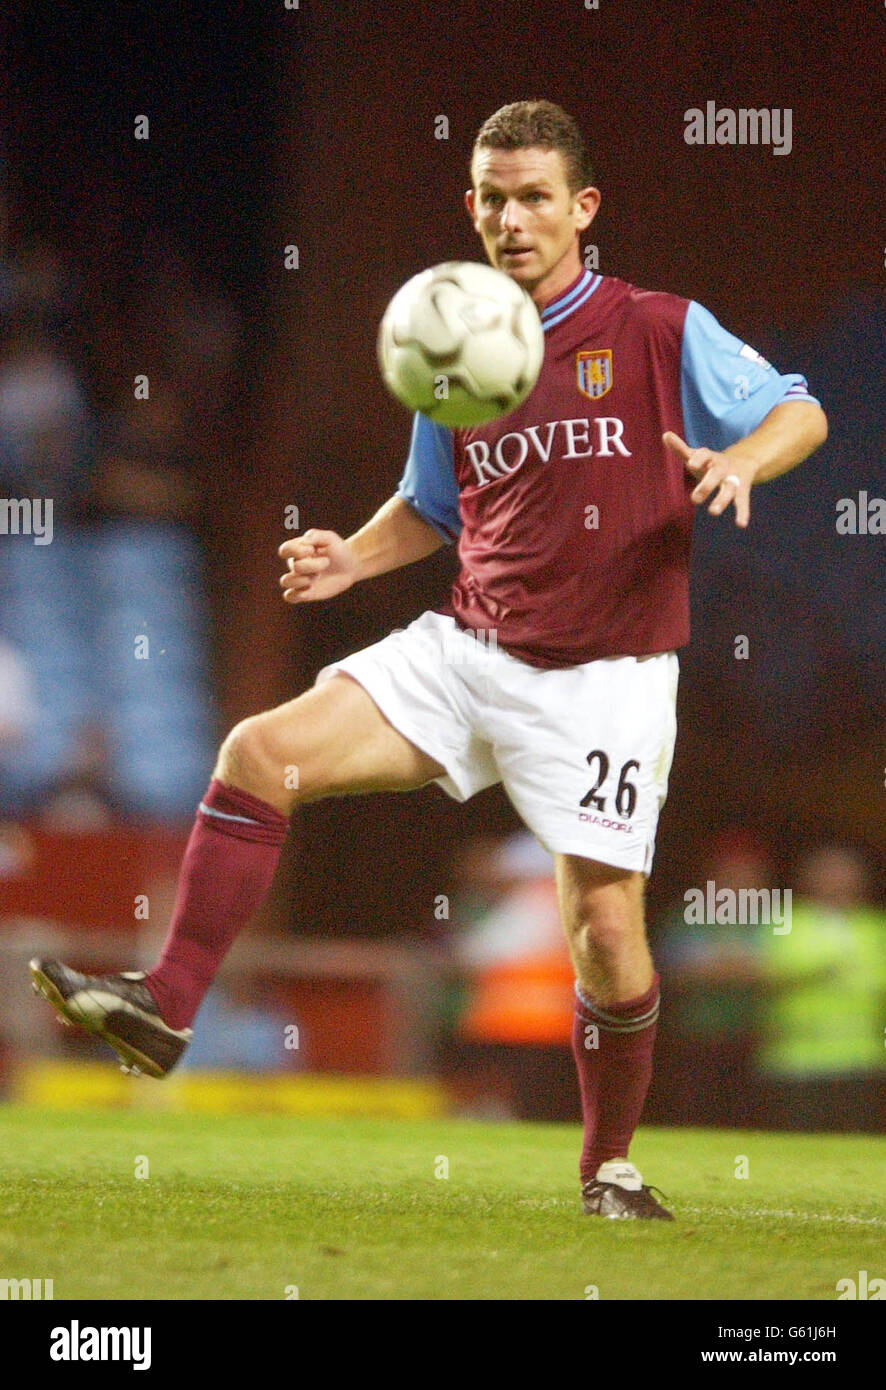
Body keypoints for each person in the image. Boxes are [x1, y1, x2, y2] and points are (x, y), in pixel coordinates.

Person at [30, 100, 828, 1220]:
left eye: (535, 196)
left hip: (605, 680)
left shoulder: (656, 327)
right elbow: (433, 505)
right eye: (493, 198)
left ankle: (608, 1166)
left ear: (581, 208)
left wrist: (740, 459)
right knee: (261, 749)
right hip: (468, 648)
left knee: (605, 938)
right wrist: (350, 561)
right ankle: (165, 1003)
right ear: (473, 205)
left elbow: (802, 410)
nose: (512, 218)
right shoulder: (452, 339)